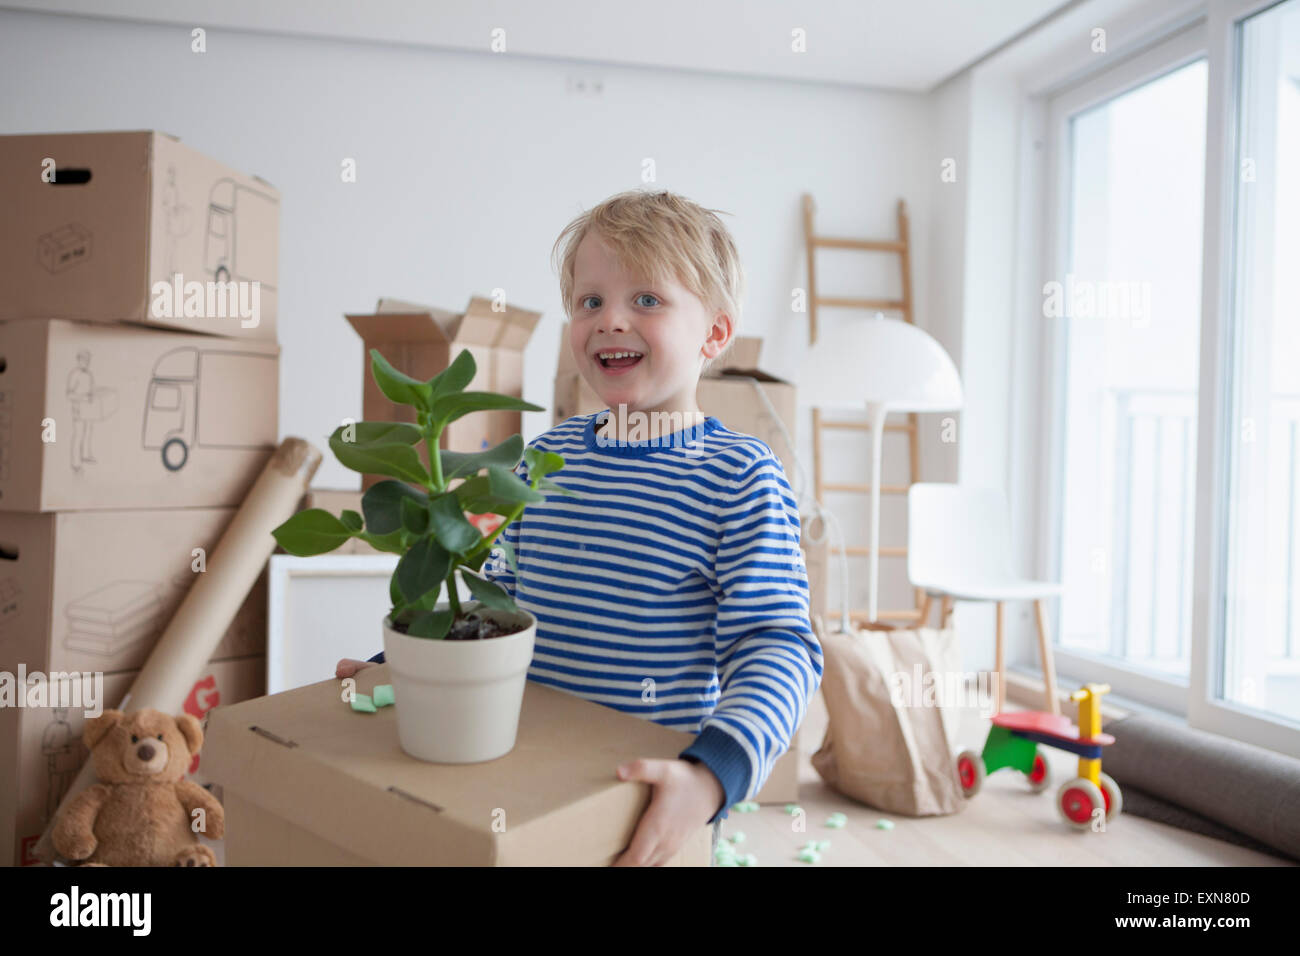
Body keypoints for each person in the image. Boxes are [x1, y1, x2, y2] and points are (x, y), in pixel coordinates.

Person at [337, 189, 822, 866]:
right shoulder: (541, 460)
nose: (610, 320)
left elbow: (776, 643)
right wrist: (409, 667)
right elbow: (489, 599)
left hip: (646, 797)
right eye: (590, 301)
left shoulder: (740, 475)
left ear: (714, 333)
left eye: (646, 300)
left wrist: (710, 776)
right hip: (519, 776)